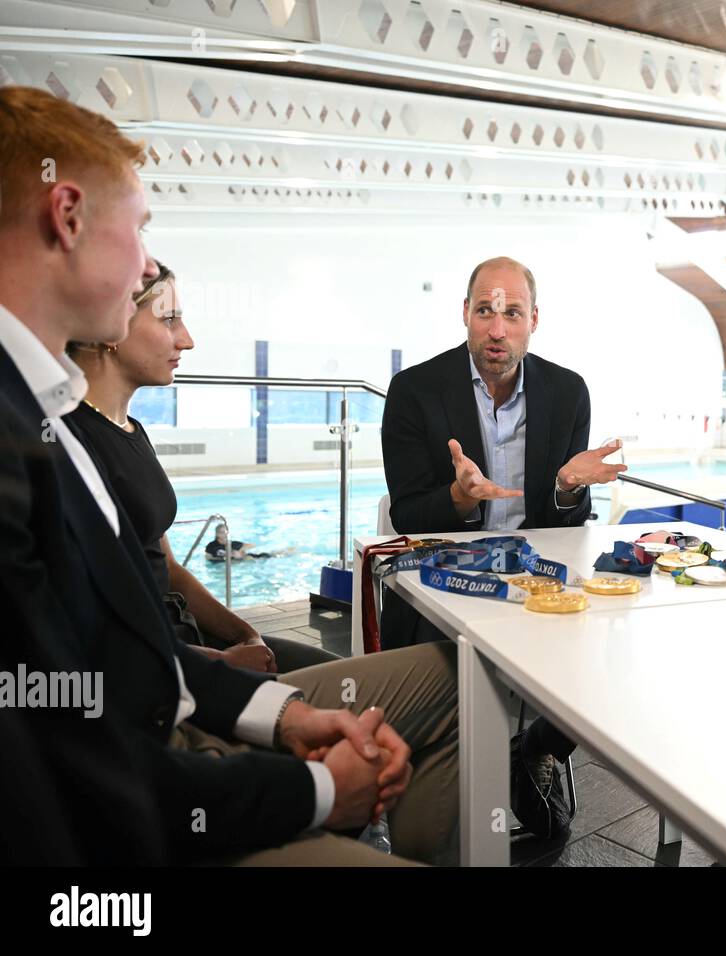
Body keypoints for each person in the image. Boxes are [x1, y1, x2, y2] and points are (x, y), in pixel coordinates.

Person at [0, 84, 457, 865]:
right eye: (139, 229)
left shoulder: (42, 414)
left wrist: (282, 716)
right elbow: (72, 762)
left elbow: (135, 651)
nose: (146, 259)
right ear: (67, 215)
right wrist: (316, 793)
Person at [381, 255, 626, 839]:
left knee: (611, 648)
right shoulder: (415, 390)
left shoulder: (568, 392)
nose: (497, 328)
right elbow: (409, 514)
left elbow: (563, 523)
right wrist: (461, 499)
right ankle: (448, 765)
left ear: (533, 320)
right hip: (449, 574)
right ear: (465, 314)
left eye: (511, 313)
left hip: (535, 574)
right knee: (440, 788)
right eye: (485, 311)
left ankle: (535, 747)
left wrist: (567, 488)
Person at [66, 262, 339, 674]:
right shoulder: (72, 444)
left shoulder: (130, 430)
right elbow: (92, 629)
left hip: (186, 640)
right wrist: (221, 664)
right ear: (112, 326)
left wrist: (246, 635)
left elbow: (169, 571)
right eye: (169, 319)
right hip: (161, 669)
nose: (187, 340)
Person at [205, 524, 272, 561]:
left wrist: (239, 551)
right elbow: (208, 557)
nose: (225, 535)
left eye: (226, 532)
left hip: (246, 559)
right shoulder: (211, 546)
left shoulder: (233, 544)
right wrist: (225, 558)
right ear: (217, 534)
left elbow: (252, 545)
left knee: (266, 556)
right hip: (227, 564)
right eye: (222, 533)